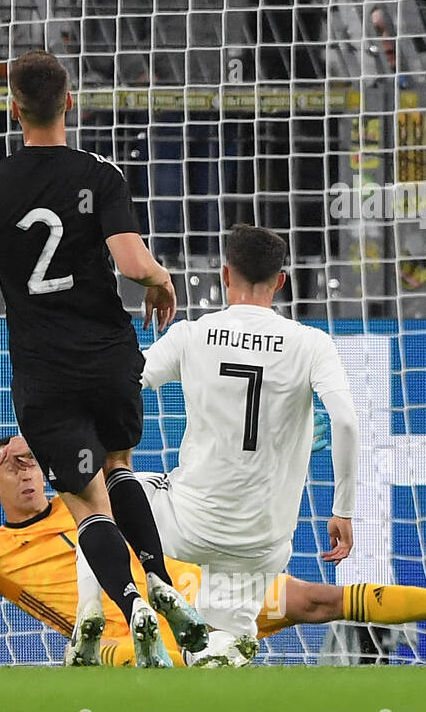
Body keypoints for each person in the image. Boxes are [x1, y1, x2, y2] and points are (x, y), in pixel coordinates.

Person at [0, 48, 205, 669]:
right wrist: (162, 282)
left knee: (84, 503)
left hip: (43, 372)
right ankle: (159, 582)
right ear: (70, 102)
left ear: (13, 108)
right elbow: (133, 266)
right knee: (119, 467)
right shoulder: (101, 174)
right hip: (108, 356)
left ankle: (131, 601)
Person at [0, 437, 426, 667]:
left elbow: (149, 485)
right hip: (123, 639)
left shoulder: (85, 499)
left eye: (33, 459)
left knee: (315, 600)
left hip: (188, 590)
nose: (29, 470)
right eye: (14, 465)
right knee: (144, 659)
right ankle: (204, 652)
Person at [131, 223, 363, 665]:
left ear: (224, 274)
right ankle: (228, 652)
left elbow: (125, 384)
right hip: (262, 537)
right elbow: (346, 421)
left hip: (187, 523)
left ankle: (129, 603)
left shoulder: (192, 334)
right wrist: (343, 509)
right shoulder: (311, 344)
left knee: (102, 504)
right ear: (280, 281)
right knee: (229, 642)